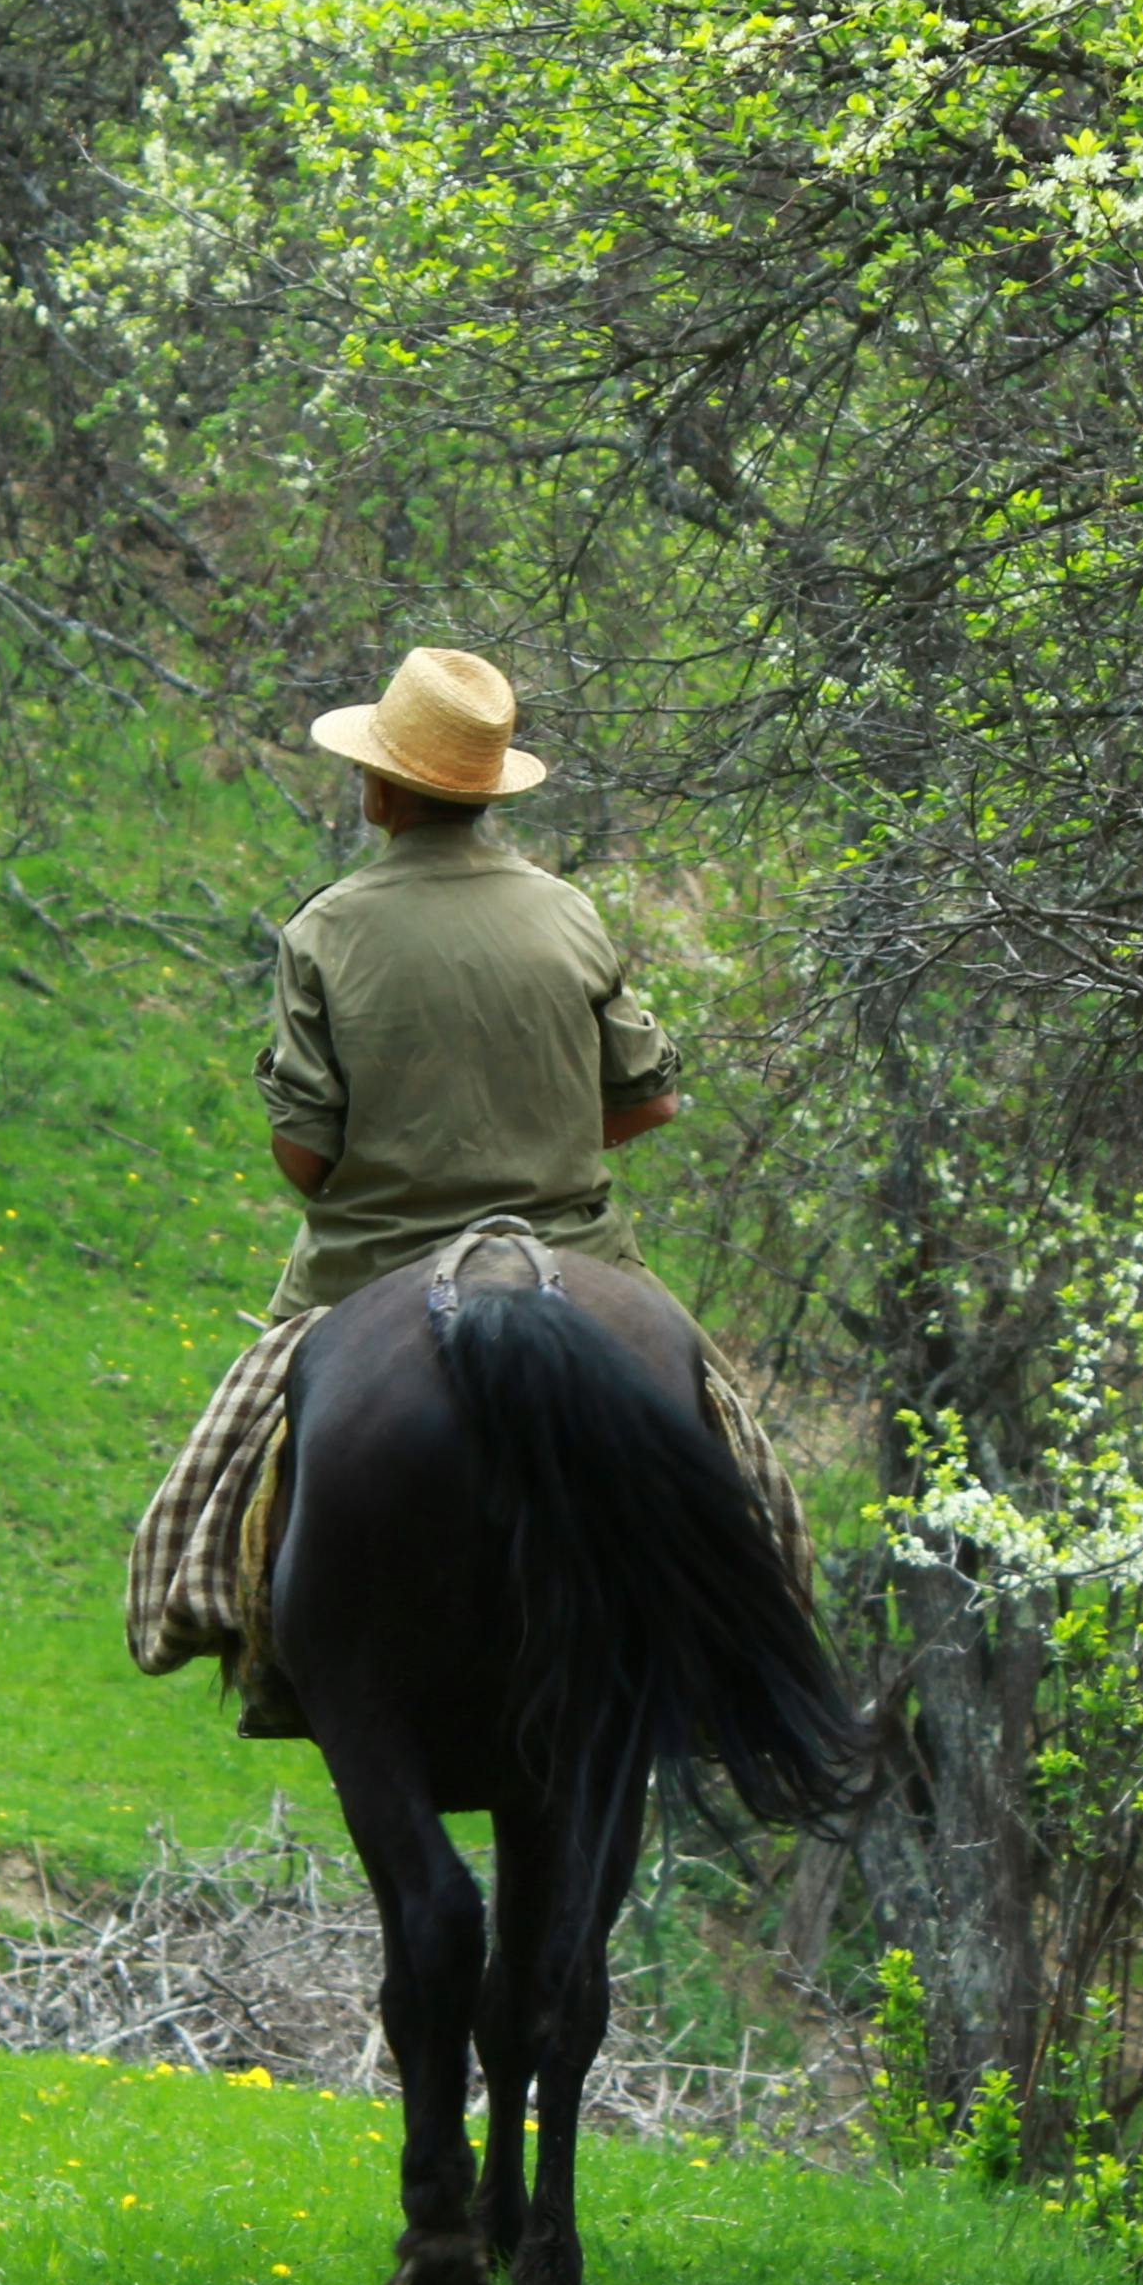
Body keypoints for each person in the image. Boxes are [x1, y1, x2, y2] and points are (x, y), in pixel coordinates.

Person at [126, 646, 811, 1729]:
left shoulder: (326, 930)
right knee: (737, 1457)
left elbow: (305, 1159)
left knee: (229, 1456)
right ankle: (762, 1650)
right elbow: (651, 1103)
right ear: (487, 791)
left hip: (367, 1270)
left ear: (382, 787)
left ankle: (208, 1613)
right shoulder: (567, 914)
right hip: (580, 1253)